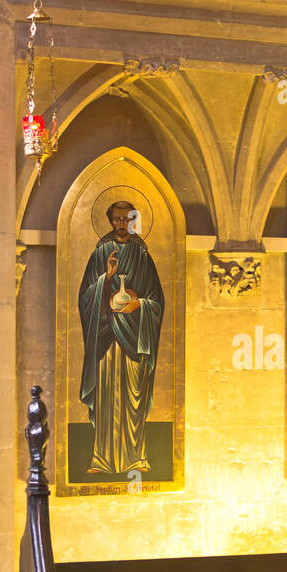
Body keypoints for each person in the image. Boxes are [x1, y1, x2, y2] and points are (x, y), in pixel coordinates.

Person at [78, 201, 164, 475]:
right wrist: (107, 276)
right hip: (106, 336)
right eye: (116, 220)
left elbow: (157, 300)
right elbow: (86, 297)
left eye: (127, 220)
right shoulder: (101, 252)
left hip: (135, 337)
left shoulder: (143, 255)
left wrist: (141, 304)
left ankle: (136, 457)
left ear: (133, 221)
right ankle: (102, 457)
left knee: (133, 396)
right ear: (109, 220)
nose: (121, 225)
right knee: (106, 397)